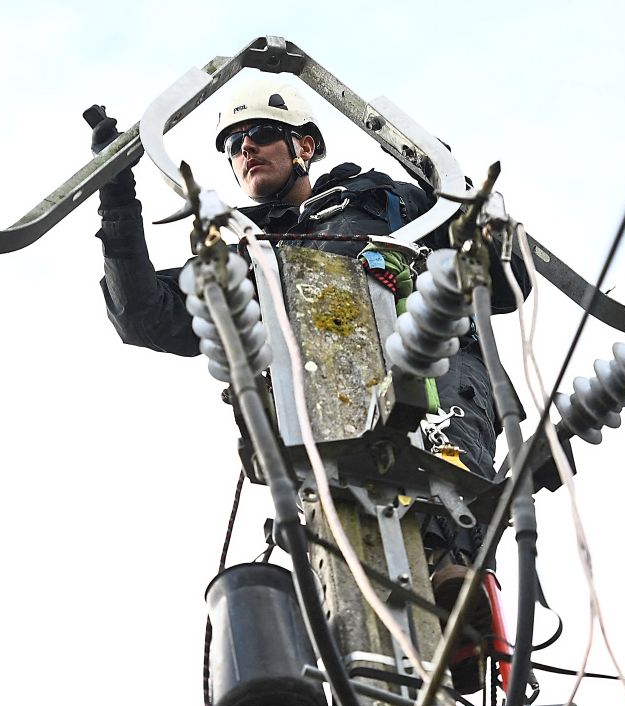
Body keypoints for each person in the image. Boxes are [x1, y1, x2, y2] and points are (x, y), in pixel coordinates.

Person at [92, 77, 529, 567]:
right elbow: (141, 314)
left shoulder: (386, 199)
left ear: (304, 145)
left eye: (259, 132)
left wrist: (449, 184)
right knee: (348, 555)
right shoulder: (248, 254)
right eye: (234, 145)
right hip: (326, 410)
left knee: (446, 508)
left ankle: (460, 598)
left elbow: (507, 279)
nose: (246, 148)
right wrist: (117, 198)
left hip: (435, 370)